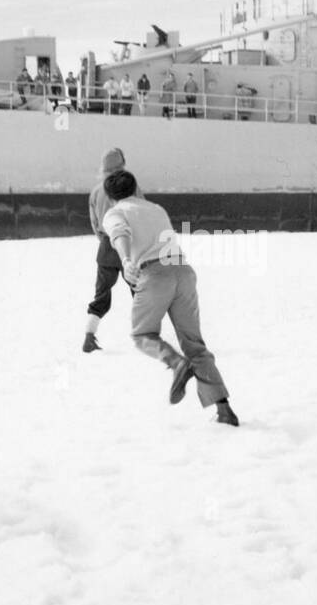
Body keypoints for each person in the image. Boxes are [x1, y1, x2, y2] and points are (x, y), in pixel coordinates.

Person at [100, 169, 239, 426]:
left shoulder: (114, 212)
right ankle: (224, 410)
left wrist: (126, 259)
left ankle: (176, 364)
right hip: (183, 271)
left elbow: (120, 233)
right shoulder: (156, 208)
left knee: (143, 335)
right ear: (136, 187)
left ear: (109, 197)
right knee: (195, 344)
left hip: (154, 274)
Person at [83, 147, 142, 353]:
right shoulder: (131, 187)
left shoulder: (96, 191)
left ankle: (89, 337)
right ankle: (144, 336)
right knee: (140, 292)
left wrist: (105, 240)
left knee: (101, 296)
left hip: (107, 247)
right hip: (128, 246)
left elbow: (94, 222)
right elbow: (139, 214)